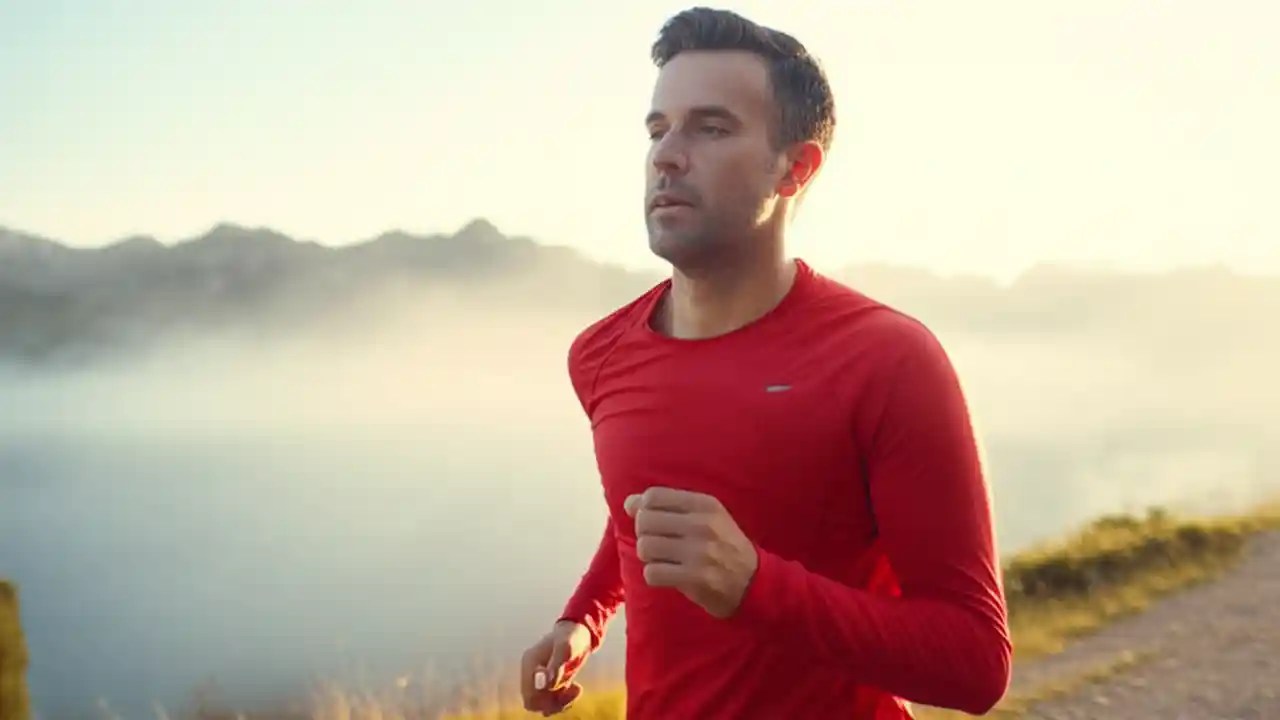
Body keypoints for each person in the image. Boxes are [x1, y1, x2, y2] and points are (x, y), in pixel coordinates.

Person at [519, 7, 1011, 719]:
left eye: (710, 128)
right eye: (658, 129)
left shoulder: (888, 359)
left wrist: (756, 586)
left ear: (796, 167)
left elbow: (975, 664)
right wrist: (582, 620)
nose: (666, 154)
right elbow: (640, 514)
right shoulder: (600, 354)